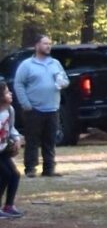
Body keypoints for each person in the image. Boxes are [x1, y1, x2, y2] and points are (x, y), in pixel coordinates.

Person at [10, 35, 66, 179]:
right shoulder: (27, 65)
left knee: (50, 140)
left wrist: (62, 83)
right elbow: (18, 84)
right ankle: (30, 168)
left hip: (52, 108)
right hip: (34, 109)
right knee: (32, 140)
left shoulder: (55, 63)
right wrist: (25, 103)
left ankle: (49, 168)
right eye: (45, 43)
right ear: (37, 46)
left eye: (50, 44)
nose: (48, 46)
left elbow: (65, 80)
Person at [1, 79, 25, 219]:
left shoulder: (9, 110)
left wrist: (16, 138)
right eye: (6, 92)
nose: (10, 93)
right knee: (5, 174)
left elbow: (11, 128)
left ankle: (9, 206)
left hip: (2, 149)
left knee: (14, 174)